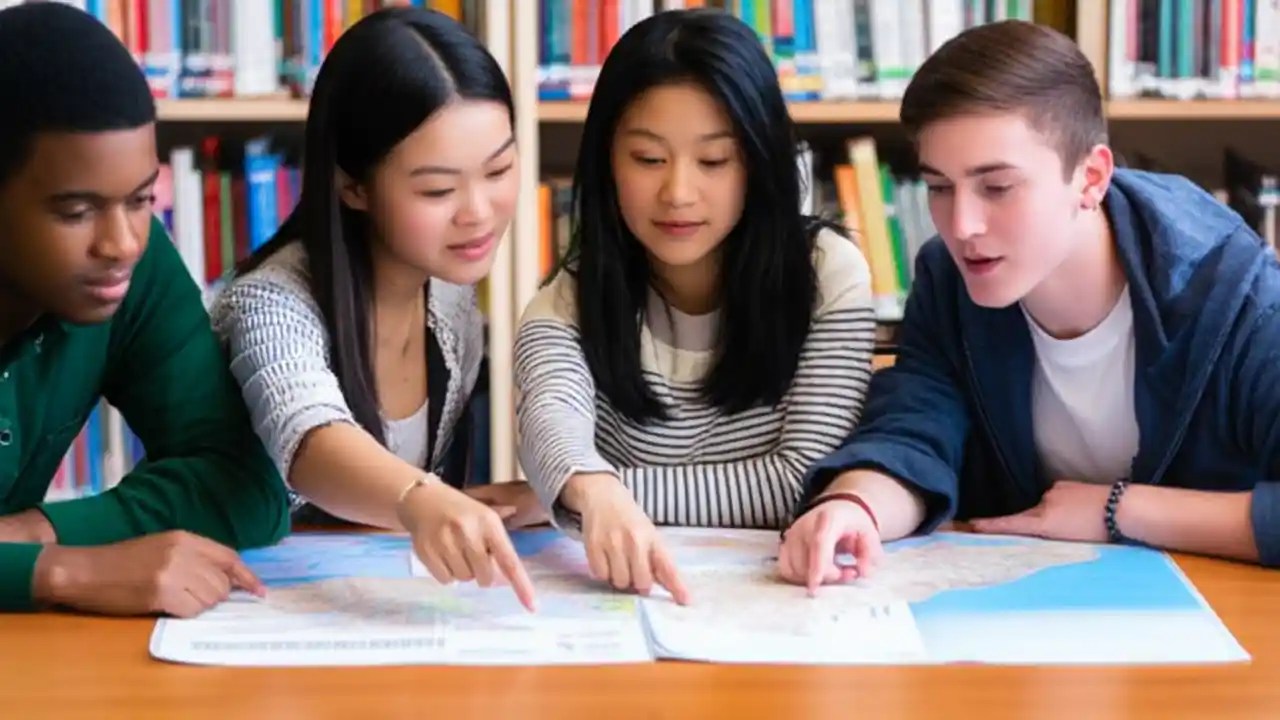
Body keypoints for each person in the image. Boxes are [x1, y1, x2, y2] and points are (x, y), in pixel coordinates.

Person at [780, 20, 1280, 593]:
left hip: (1227, 631)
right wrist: (853, 508)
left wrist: (1120, 513)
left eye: (996, 188)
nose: (961, 226)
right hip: (1021, 626)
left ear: (1089, 178)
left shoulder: (1235, 295)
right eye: (939, 188)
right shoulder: (948, 279)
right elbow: (915, 431)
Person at [514, 8, 878, 603]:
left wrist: (581, 492)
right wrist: (580, 484)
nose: (678, 192)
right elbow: (553, 430)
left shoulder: (827, 276)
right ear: (607, 162)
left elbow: (803, 482)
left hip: (787, 602)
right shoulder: (566, 302)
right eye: (648, 159)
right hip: (629, 602)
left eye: (714, 161)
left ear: (757, 163)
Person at [211, 7, 539, 611]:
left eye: (499, 169)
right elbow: (309, 438)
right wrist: (422, 497)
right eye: (437, 190)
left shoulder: (451, 299)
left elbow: (397, 513)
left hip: (368, 611)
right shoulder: (269, 301)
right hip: (249, 616)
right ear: (353, 185)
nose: (479, 212)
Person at [0, 3, 290, 615]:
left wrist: (39, 533)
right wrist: (63, 572)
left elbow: (246, 485)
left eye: (140, 200)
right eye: (75, 211)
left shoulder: (132, 268)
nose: (123, 243)